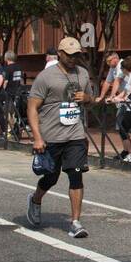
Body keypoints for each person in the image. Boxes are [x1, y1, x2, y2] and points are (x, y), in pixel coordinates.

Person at [27, 36, 93, 237]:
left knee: (76, 175)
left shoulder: (82, 74)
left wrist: (87, 98)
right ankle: (36, 199)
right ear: (60, 54)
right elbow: (32, 107)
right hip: (51, 136)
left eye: (77, 55)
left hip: (75, 135)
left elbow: (92, 100)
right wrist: (37, 137)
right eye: (70, 55)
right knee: (51, 178)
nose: (74, 59)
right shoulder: (45, 77)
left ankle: (75, 222)